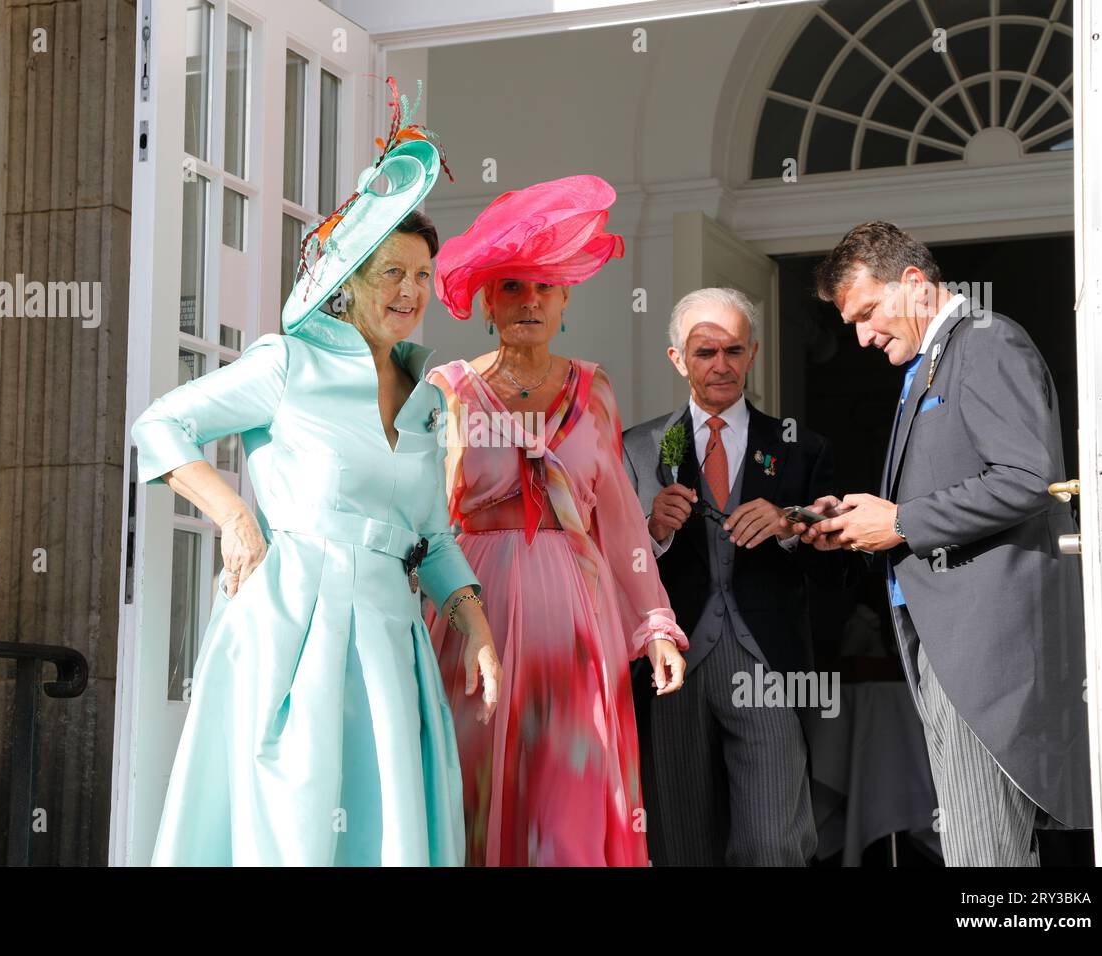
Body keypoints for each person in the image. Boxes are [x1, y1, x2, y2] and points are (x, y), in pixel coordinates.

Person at [131, 96, 500, 866]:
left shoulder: (431, 399)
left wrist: (477, 627)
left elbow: (432, 537)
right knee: (291, 823)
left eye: (423, 276)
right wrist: (234, 515)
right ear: (351, 279)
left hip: (389, 634)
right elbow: (160, 425)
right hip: (291, 619)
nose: (410, 291)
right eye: (391, 272)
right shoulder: (288, 362)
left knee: (380, 826)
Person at [805, 220, 1089, 865]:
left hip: (985, 648)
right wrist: (858, 522)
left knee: (981, 854)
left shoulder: (986, 341)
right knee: (980, 847)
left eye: (869, 312)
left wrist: (900, 524)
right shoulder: (936, 355)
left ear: (914, 283)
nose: (863, 335)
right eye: (851, 321)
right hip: (946, 640)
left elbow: (1028, 479)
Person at [424, 175, 688, 867]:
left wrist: (653, 623)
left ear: (567, 296)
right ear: (487, 300)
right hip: (470, 617)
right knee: (473, 798)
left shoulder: (593, 386)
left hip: (576, 624)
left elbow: (624, 521)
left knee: (568, 804)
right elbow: (419, 516)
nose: (529, 300)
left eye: (544, 286)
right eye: (512, 286)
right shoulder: (446, 390)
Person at [623, 287, 837, 866]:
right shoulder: (640, 448)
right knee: (681, 837)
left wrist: (792, 522)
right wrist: (653, 532)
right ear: (676, 359)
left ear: (754, 353)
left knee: (774, 839)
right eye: (704, 352)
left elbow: (846, 564)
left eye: (734, 350)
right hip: (672, 662)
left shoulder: (799, 445)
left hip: (764, 662)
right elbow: (610, 564)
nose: (721, 364)